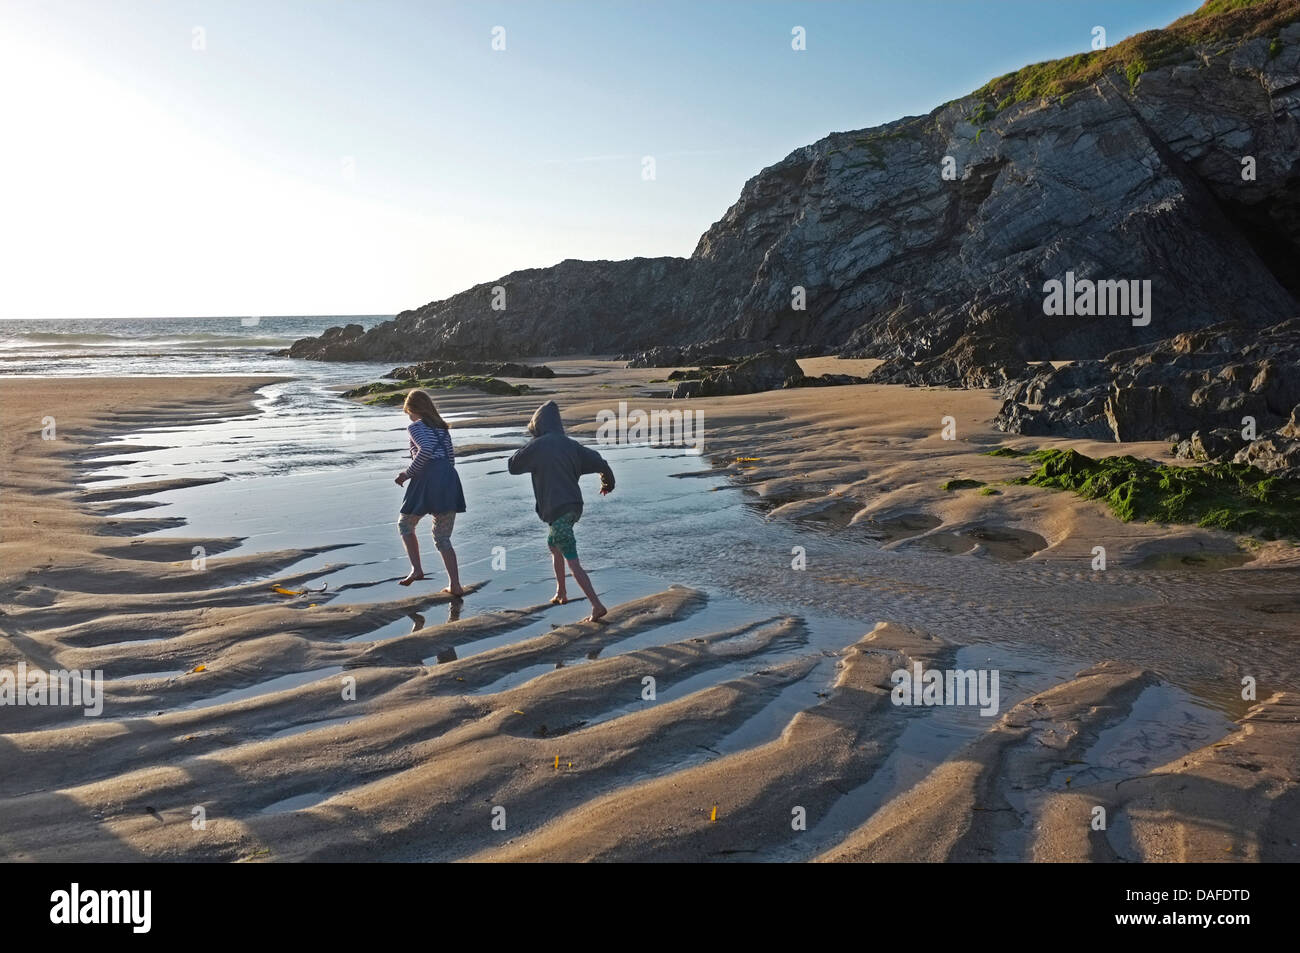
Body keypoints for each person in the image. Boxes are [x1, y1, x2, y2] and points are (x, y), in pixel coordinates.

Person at [507, 400, 614, 621]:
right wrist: (607, 483)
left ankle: (596, 605)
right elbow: (600, 462)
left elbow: (513, 465)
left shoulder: (538, 446)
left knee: (572, 559)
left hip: (557, 508)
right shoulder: (571, 445)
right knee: (553, 546)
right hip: (574, 507)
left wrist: (531, 445)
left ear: (537, 427)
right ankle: (561, 592)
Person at [395, 389, 466, 594]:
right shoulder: (442, 429)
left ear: (411, 409)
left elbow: (425, 450)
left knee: (405, 524)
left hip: (428, 478)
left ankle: (417, 569)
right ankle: (455, 584)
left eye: (407, 411)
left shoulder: (415, 427)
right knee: (442, 537)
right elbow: (450, 458)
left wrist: (407, 474)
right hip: (449, 477)